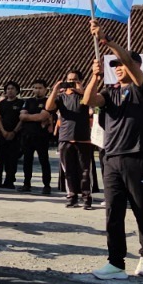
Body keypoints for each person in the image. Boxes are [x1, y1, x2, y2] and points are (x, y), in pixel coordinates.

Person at [85, 20, 143, 279]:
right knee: (113, 213)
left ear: (134, 66)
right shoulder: (109, 93)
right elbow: (88, 100)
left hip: (137, 157)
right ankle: (116, 263)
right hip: (111, 158)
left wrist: (106, 40)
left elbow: (127, 59)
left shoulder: (142, 88)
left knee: (142, 211)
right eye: (113, 66)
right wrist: (94, 79)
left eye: (121, 65)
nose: (117, 68)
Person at [50, 69, 93, 209]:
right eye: (69, 80)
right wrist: (55, 90)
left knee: (85, 171)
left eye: (75, 80)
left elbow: (91, 104)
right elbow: (49, 107)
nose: (72, 82)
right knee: (68, 171)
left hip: (83, 138)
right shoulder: (61, 97)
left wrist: (81, 91)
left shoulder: (84, 96)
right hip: (65, 137)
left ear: (80, 81)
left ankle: (86, 198)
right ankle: (72, 197)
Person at [18, 80, 55, 195]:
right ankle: (26, 184)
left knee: (44, 160)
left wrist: (29, 117)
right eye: (35, 88)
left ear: (45, 89)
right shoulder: (28, 101)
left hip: (41, 136)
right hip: (27, 135)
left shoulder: (48, 102)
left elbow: (43, 116)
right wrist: (36, 117)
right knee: (27, 160)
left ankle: (47, 185)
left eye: (40, 88)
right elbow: (22, 116)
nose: (37, 90)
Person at [0, 81, 23, 189]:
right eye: (8, 89)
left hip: (15, 135)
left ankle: (9, 181)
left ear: (17, 91)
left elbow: (21, 120)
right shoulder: (2, 103)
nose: (10, 91)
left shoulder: (21, 103)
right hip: (3, 134)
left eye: (12, 89)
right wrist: (3, 131)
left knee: (11, 160)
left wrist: (14, 132)